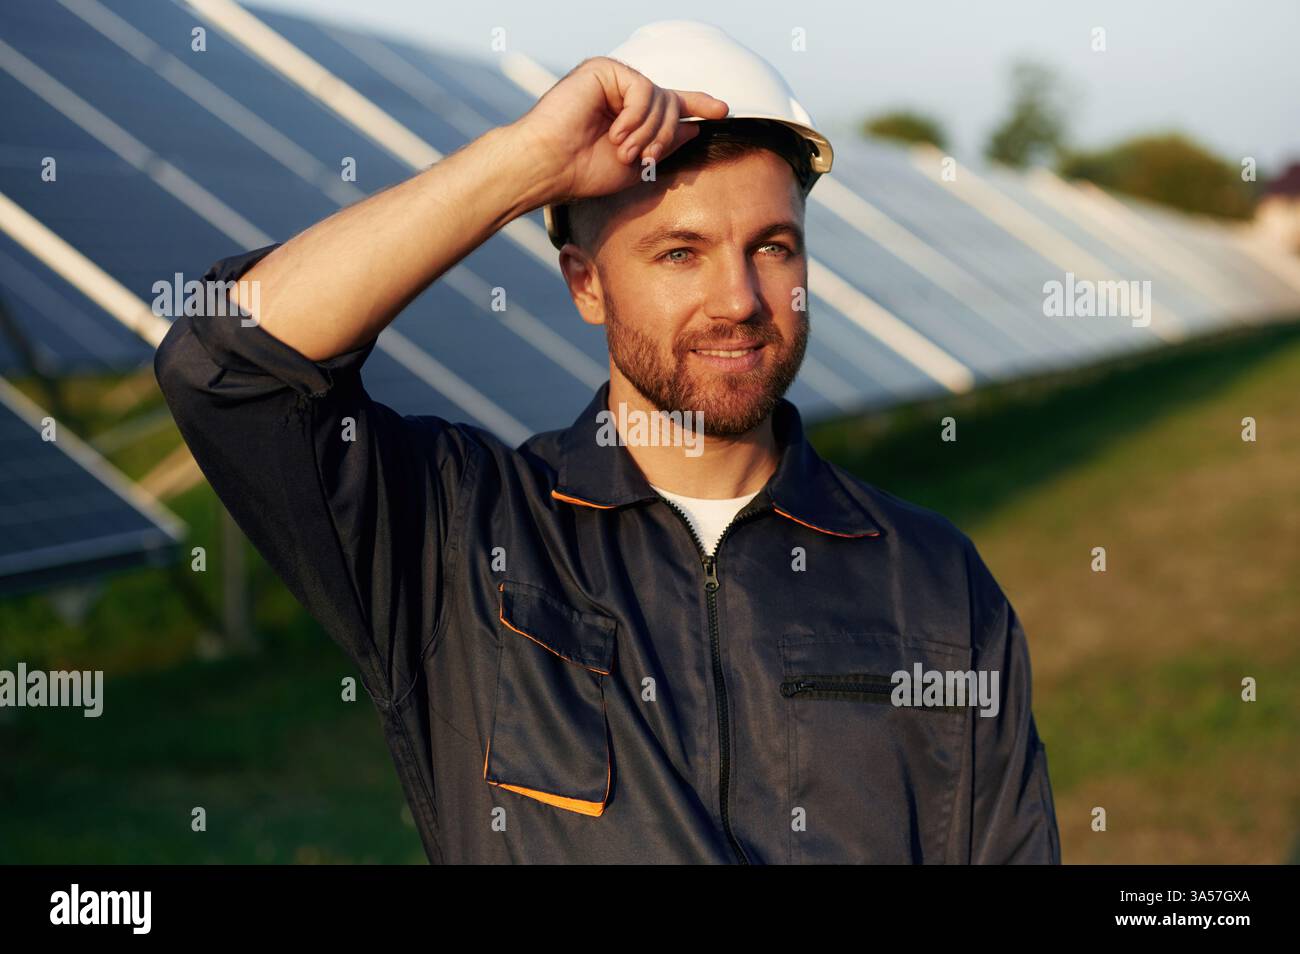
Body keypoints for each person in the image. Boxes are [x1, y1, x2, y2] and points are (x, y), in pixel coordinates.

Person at [155, 20, 1060, 864]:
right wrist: (526, 164)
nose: (739, 298)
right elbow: (227, 364)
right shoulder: (463, 534)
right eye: (680, 253)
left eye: (773, 247)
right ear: (586, 286)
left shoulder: (937, 582)